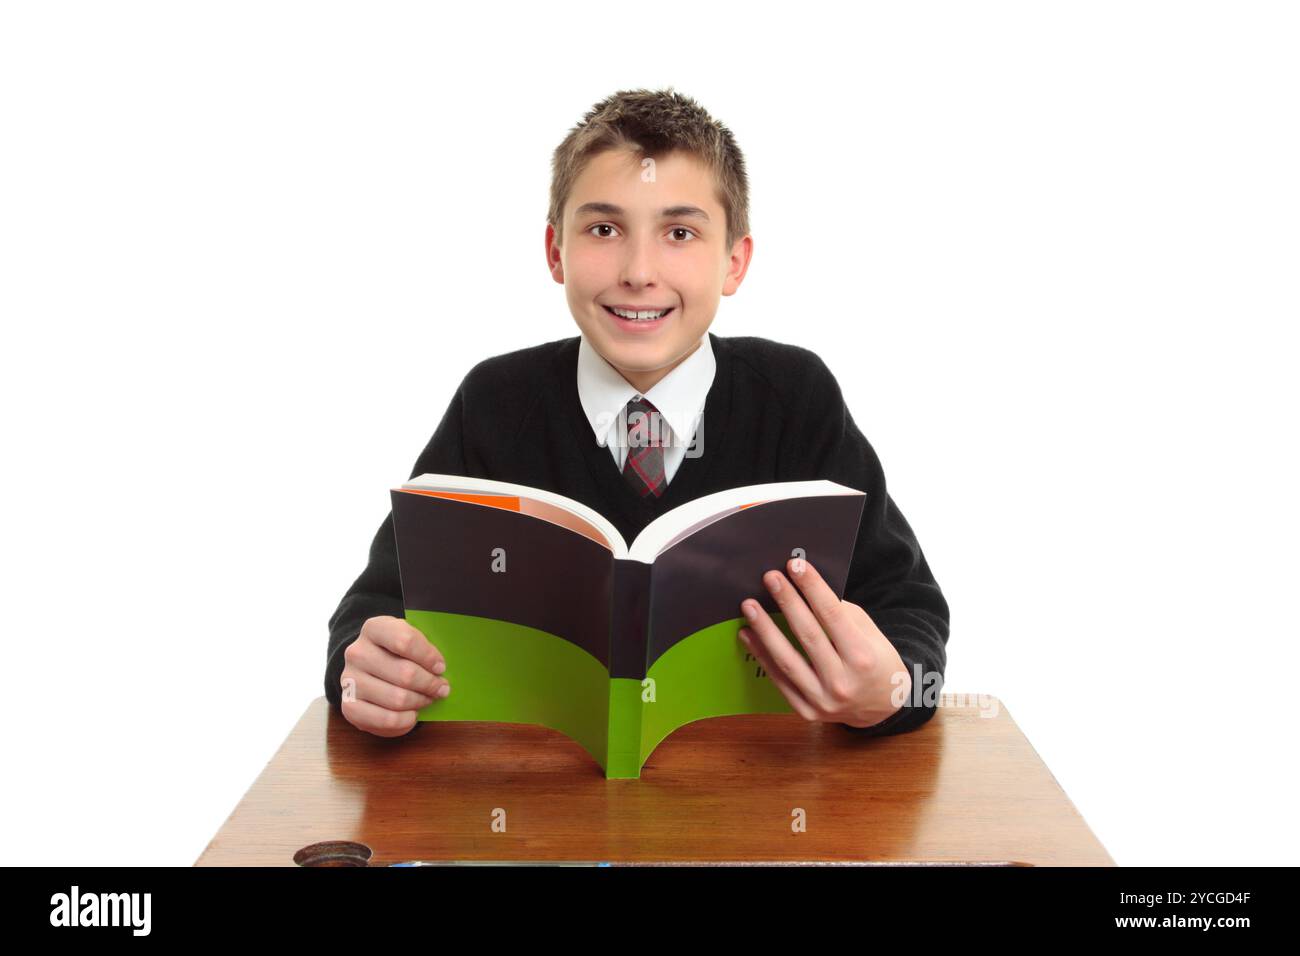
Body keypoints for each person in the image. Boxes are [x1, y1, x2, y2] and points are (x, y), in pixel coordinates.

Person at [326, 88, 949, 740]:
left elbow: (906, 606)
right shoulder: (494, 404)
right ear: (555, 252)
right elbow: (377, 607)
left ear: (734, 261)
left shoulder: (796, 400)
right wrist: (360, 675)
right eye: (603, 229)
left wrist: (891, 688)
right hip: (537, 802)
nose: (639, 271)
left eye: (680, 233)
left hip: (750, 796)